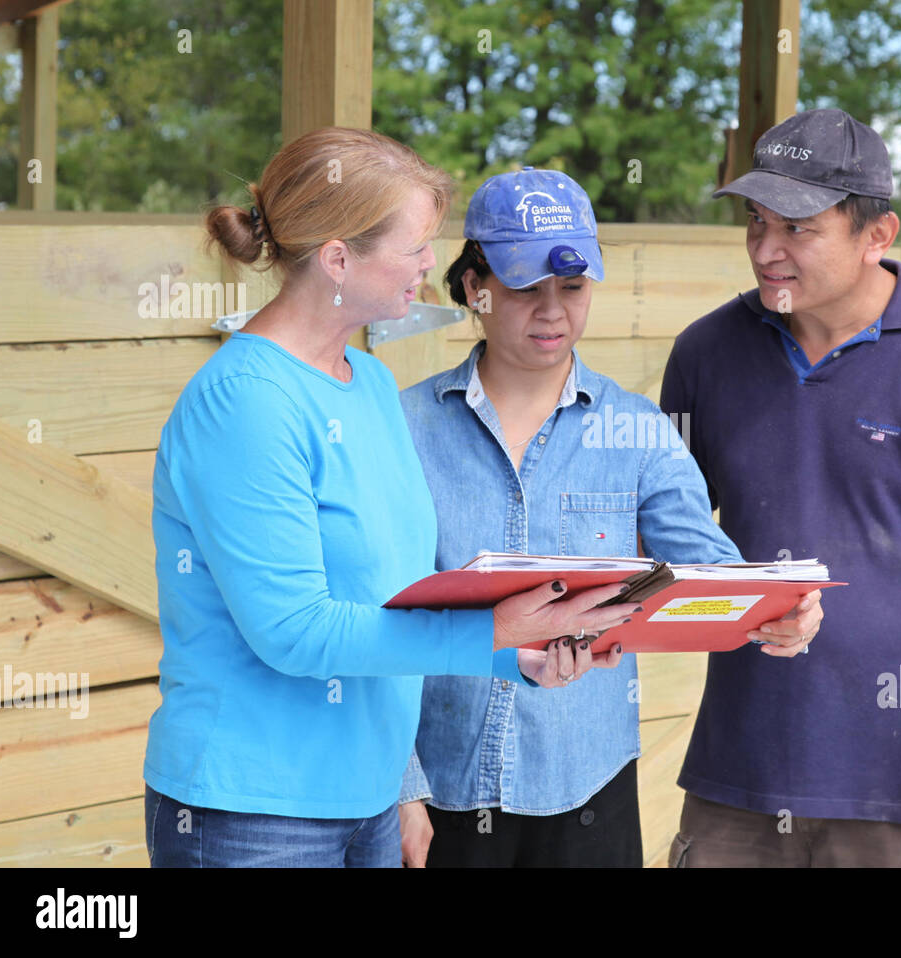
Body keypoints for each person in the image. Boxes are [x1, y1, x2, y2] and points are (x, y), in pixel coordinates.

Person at [144, 129, 638, 868]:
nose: (431, 265)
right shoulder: (246, 401)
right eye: (415, 246)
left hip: (369, 803)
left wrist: (518, 656)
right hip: (254, 814)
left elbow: (389, 599)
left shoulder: (369, 384)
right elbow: (293, 631)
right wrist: (491, 634)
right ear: (339, 260)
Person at [394, 168, 824, 867]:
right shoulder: (404, 427)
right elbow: (376, 615)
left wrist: (777, 612)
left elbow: (711, 568)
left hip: (589, 787)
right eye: (526, 289)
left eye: (572, 288)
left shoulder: (638, 430)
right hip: (441, 790)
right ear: (476, 288)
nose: (553, 311)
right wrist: (401, 788)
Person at [659, 109, 901, 868]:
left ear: (877, 235)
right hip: (739, 783)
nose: (767, 251)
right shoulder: (706, 352)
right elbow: (668, 537)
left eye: (797, 229)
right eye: (756, 222)